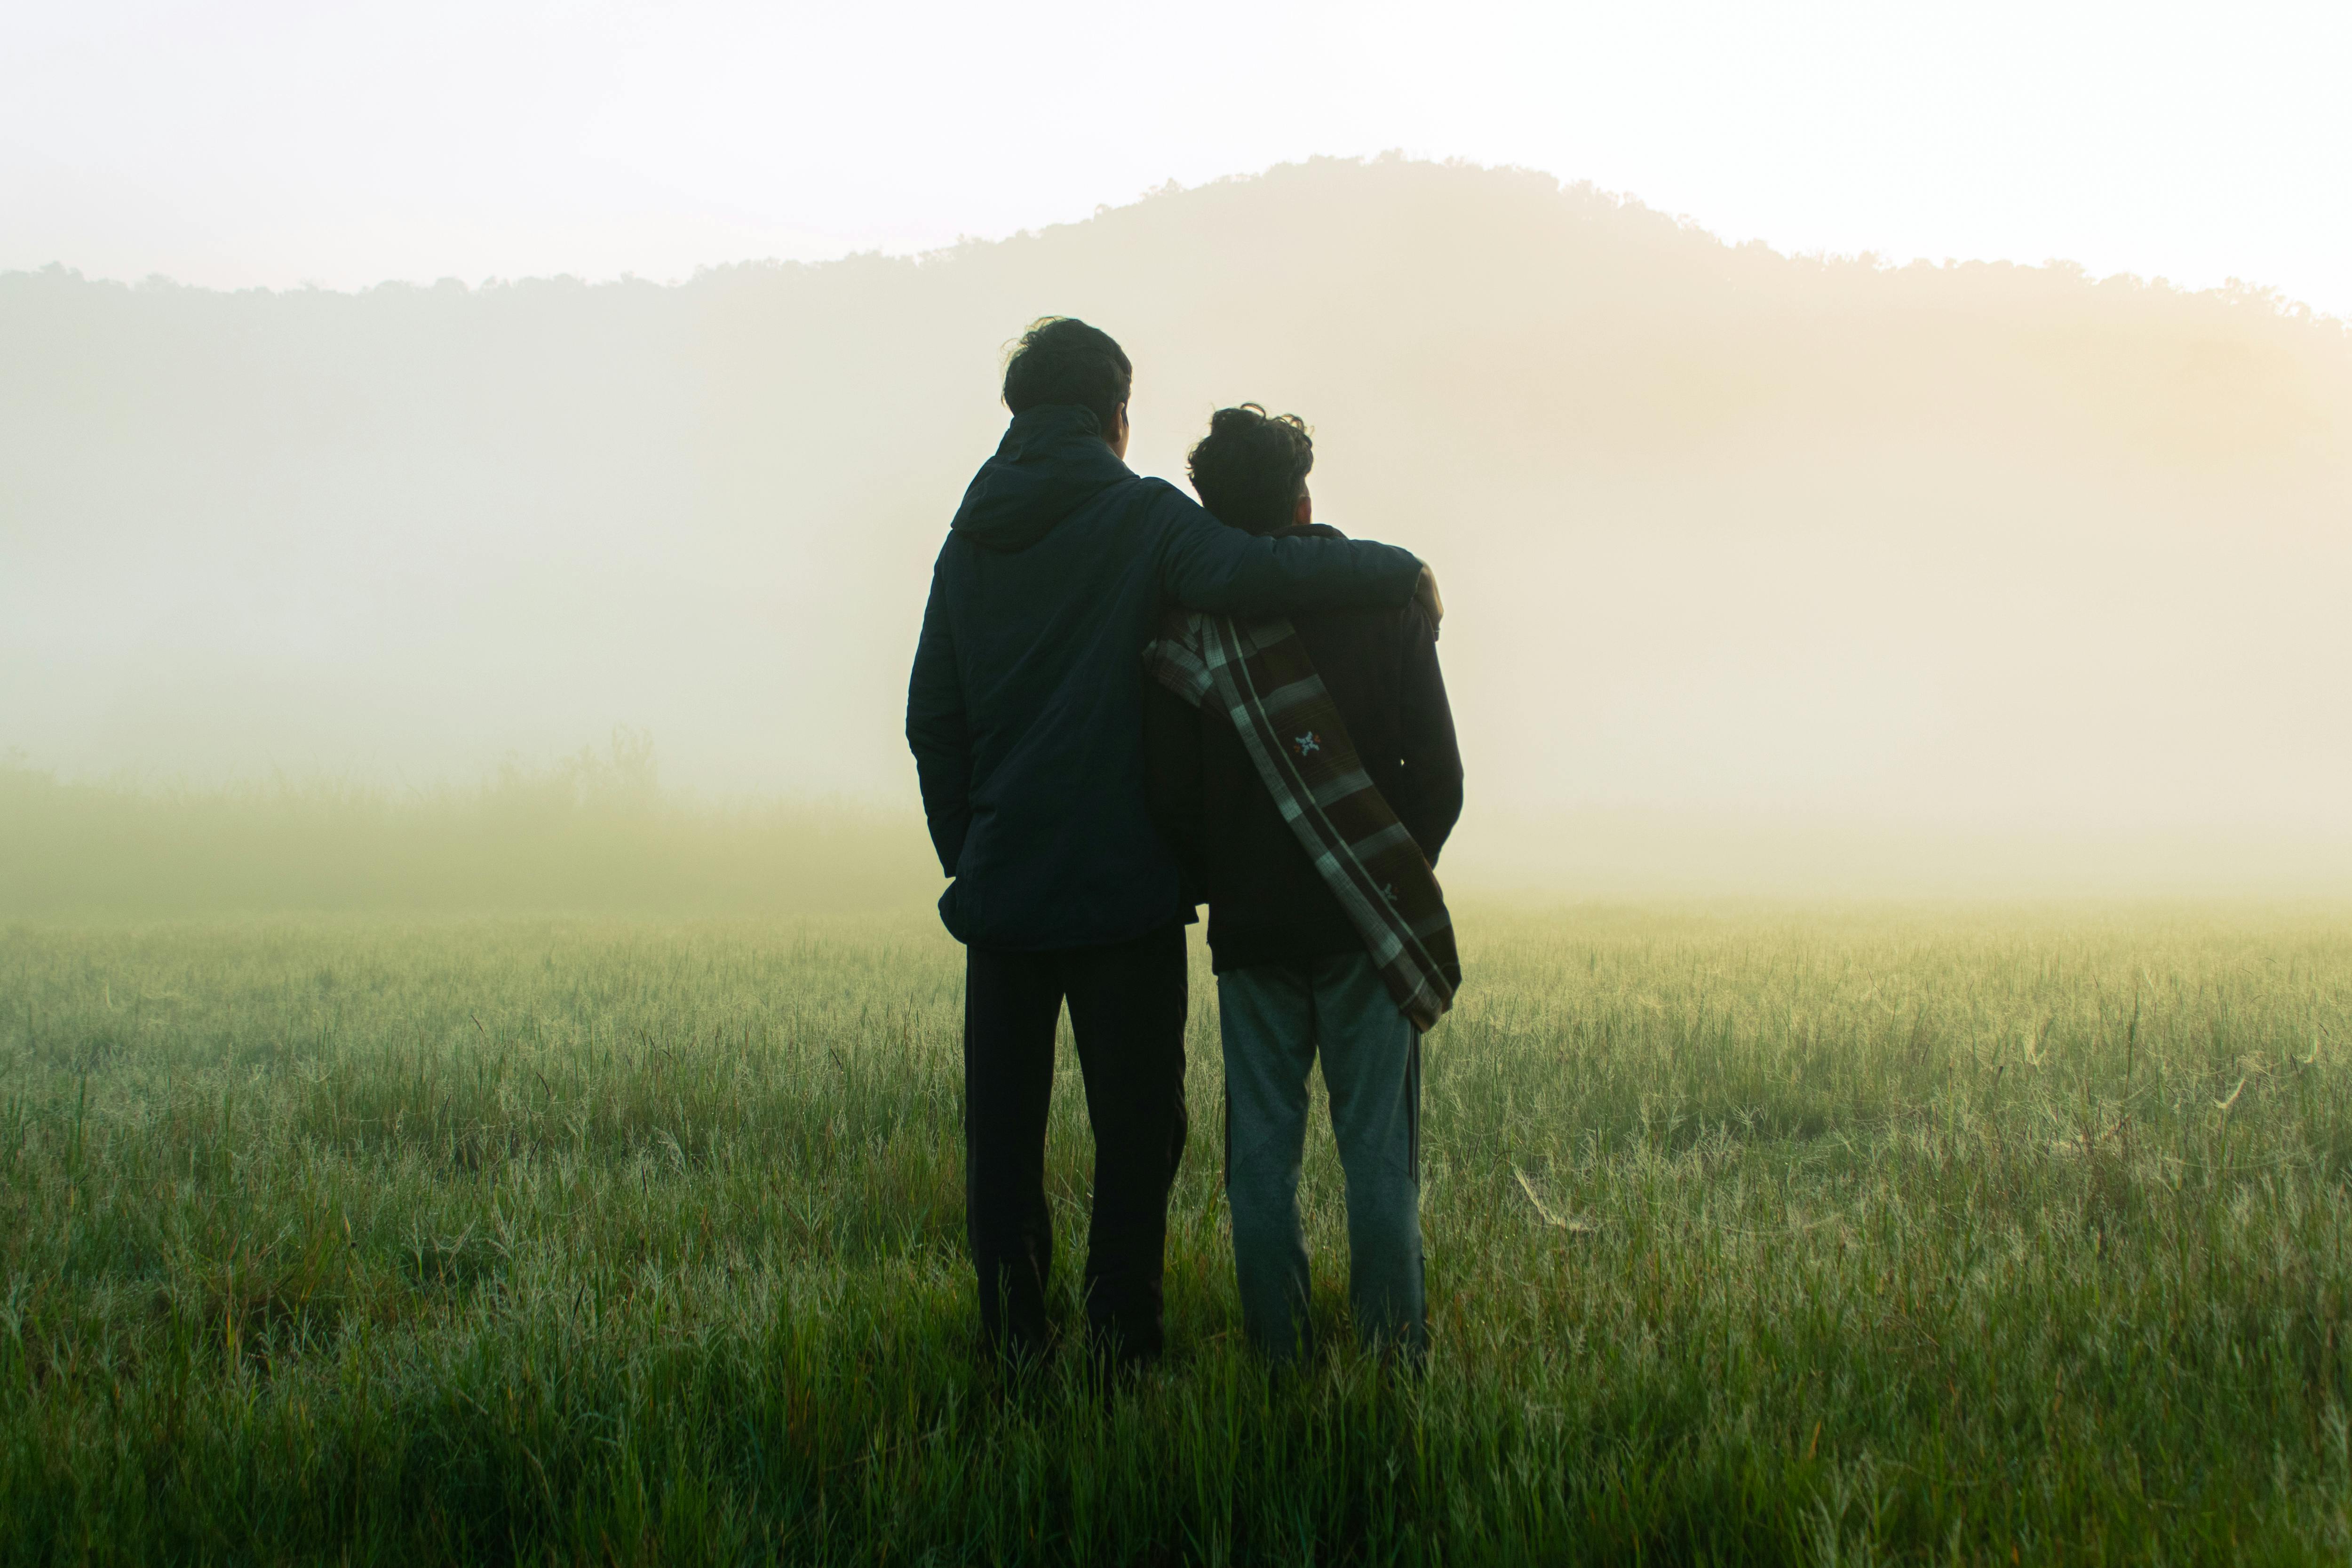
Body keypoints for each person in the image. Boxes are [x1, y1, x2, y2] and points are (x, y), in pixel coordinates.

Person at [905, 320, 1444, 1370]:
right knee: (1137, 1137)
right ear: (1115, 415)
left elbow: (933, 715)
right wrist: (1399, 569)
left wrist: (967, 851)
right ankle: (1121, 1345)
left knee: (1003, 1144)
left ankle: (1016, 1346)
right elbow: (1257, 570)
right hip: (1122, 893)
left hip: (1005, 890)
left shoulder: (968, 535)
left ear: (1017, 413)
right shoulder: (1141, 516)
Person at [1142, 404, 1463, 1366]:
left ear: (1212, 511)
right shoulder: (1385, 597)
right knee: (1378, 1158)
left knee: (1261, 1163)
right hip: (1368, 921)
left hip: (1253, 929)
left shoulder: (1196, 629)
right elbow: (1437, 776)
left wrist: (1231, 878)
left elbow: (1171, 796)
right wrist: (1385, 872)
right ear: (1304, 494)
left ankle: (1278, 1358)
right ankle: (1390, 1357)